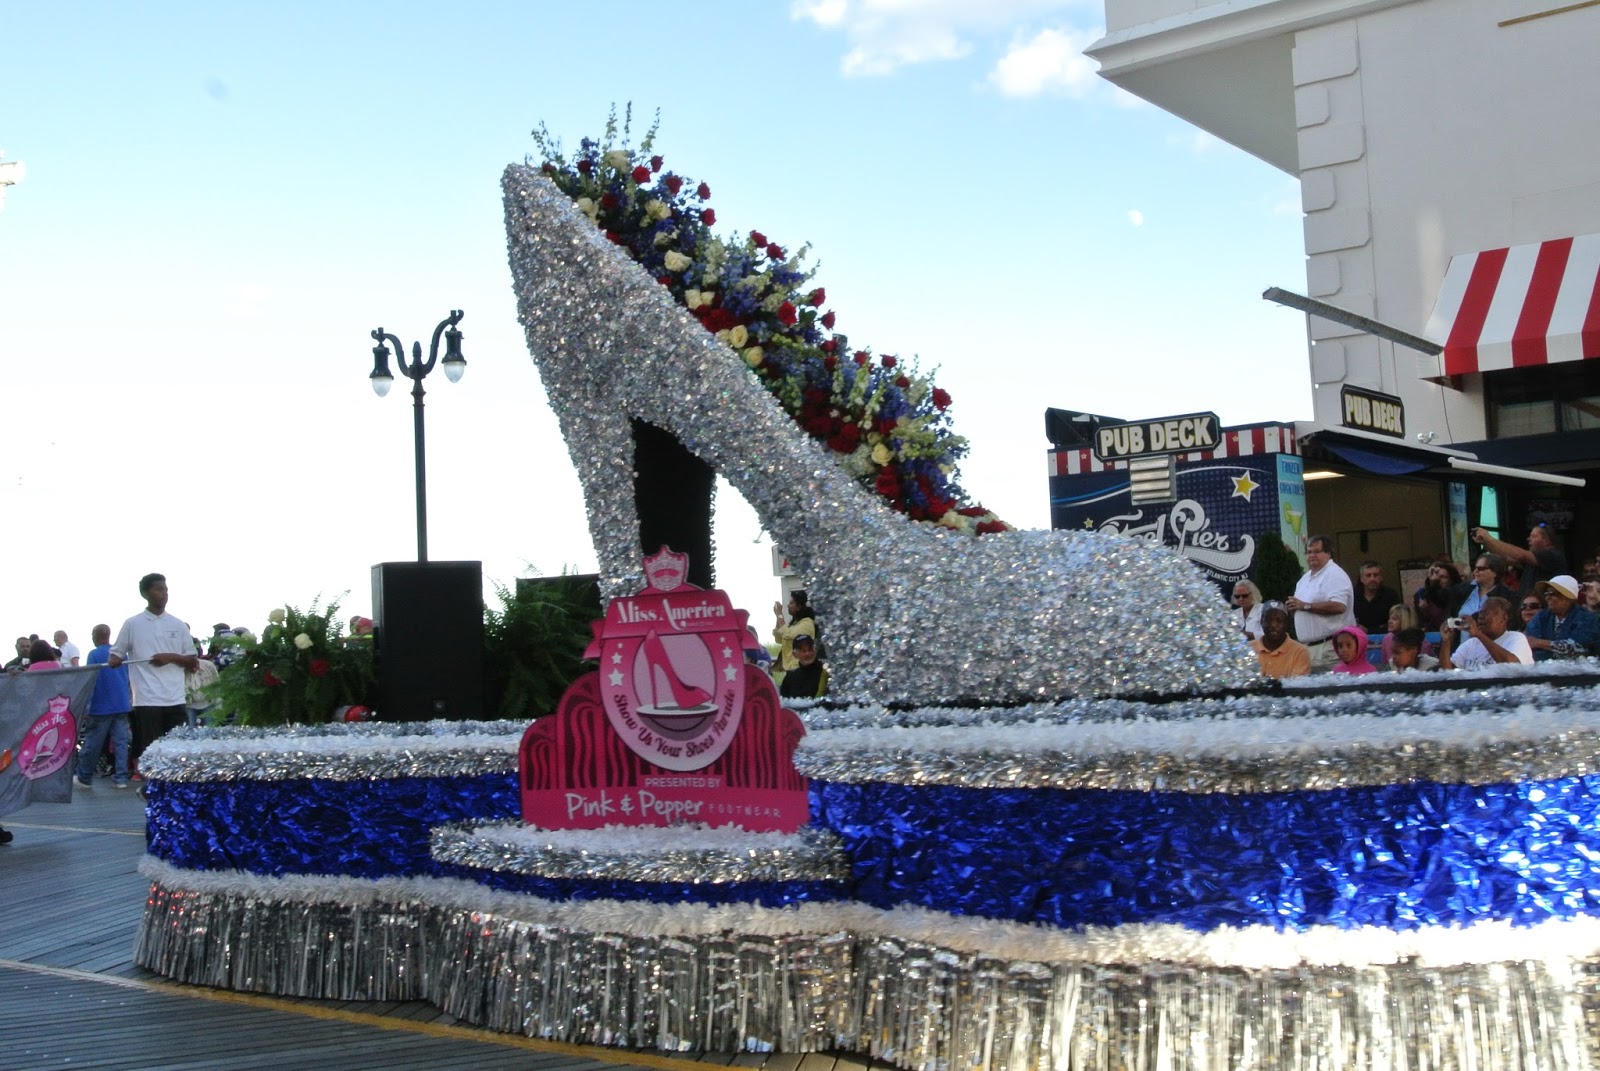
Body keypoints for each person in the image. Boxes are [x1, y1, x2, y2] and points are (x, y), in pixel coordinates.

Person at [109, 572, 200, 775]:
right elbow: (116, 654)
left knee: (177, 751)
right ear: (145, 593)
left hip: (175, 699)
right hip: (146, 700)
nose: (164, 594)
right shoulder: (132, 624)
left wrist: (171, 657)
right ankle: (153, 791)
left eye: (166, 589)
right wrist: (114, 659)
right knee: (150, 752)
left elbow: (193, 662)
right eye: (159, 589)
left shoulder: (178, 624)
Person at [1284, 535, 1354, 670]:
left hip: (1330, 649)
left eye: (1317, 551)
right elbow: (1300, 605)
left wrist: (1305, 606)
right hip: (1309, 649)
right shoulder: (1304, 579)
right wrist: (1294, 608)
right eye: (1309, 552)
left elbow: (1339, 606)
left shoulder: (1334, 574)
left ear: (1328, 553)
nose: (1312, 555)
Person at [76, 624, 132, 788]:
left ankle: (84, 777)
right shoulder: (122, 654)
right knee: (121, 742)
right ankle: (121, 777)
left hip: (101, 705)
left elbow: (90, 680)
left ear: (95, 635)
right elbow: (127, 676)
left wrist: (87, 705)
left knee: (93, 742)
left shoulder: (93, 654)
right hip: (121, 703)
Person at [1472, 523, 1568, 597]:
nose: (1528, 539)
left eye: (1533, 536)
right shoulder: (1532, 560)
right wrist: (1485, 542)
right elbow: (1506, 557)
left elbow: (1520, 555)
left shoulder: (1552, 555)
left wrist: (1489, 538)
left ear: (1546, 541)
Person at [1439, 597, 1534, 669]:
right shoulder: (1471, 644)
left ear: (1503, 618)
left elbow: (1512, 665)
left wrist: (1478, 634)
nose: (1480, 617)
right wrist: (1446, 641)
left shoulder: (1516, 638)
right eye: (1480, 613)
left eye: (1486, 613)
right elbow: (1447, 673)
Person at [1523, 575, 1600, 661]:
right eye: (1546, 594)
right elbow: (1531, 646)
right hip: (1544, 670)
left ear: (1569, 598)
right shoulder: (1541, 617)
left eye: (1553, 594)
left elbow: (1578, 649)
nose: (1548, 597)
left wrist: (1540, 643)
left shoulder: (1587, 618)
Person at [1449, 553, 1516, 620]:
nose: (1476, 571)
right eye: (1475, 568)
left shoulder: (1507, 595)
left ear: (1494, 572)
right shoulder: (1464, 588)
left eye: (1481, 568)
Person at [1251, 604, 1310, 679]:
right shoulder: (1248, 648)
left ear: (1287, 624)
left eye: (1279, 621)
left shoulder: (1300, 651)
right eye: (1268, 620)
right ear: (1261, 623)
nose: (1273, 625)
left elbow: (1297, 687)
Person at [772, 589, 818, 678]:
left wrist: (780, 614)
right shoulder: (794, 624)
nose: (788, 605)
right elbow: (779, 639)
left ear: (799, 607)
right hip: (790, 670)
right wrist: (778, 617)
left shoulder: (807, 623)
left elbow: (788, 635)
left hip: (801, 670)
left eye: (791, 603)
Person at [1352, 562, 1401, 635]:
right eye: (1368, 575)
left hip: (1385, 637)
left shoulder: (1391, 595)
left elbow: (1398, 621)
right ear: (1361, 578)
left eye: (1375, 575)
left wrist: (1370, 631)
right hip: (1357, 637)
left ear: (1381, 577)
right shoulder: (1352, 595)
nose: (1372, 579)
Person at [1413, 561, 1461, 633]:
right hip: (1432, 636)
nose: (1438, 580)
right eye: (1437, 576)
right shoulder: (1423, 595)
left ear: (1451, 580)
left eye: (1443, 577)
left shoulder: (1457, 595)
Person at [777, 634, 828, 698]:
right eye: (803, 650)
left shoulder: (825, 672)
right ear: (794, 654)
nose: (807, 653)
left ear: (815, 651)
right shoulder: (790, 677)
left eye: (810, 649)